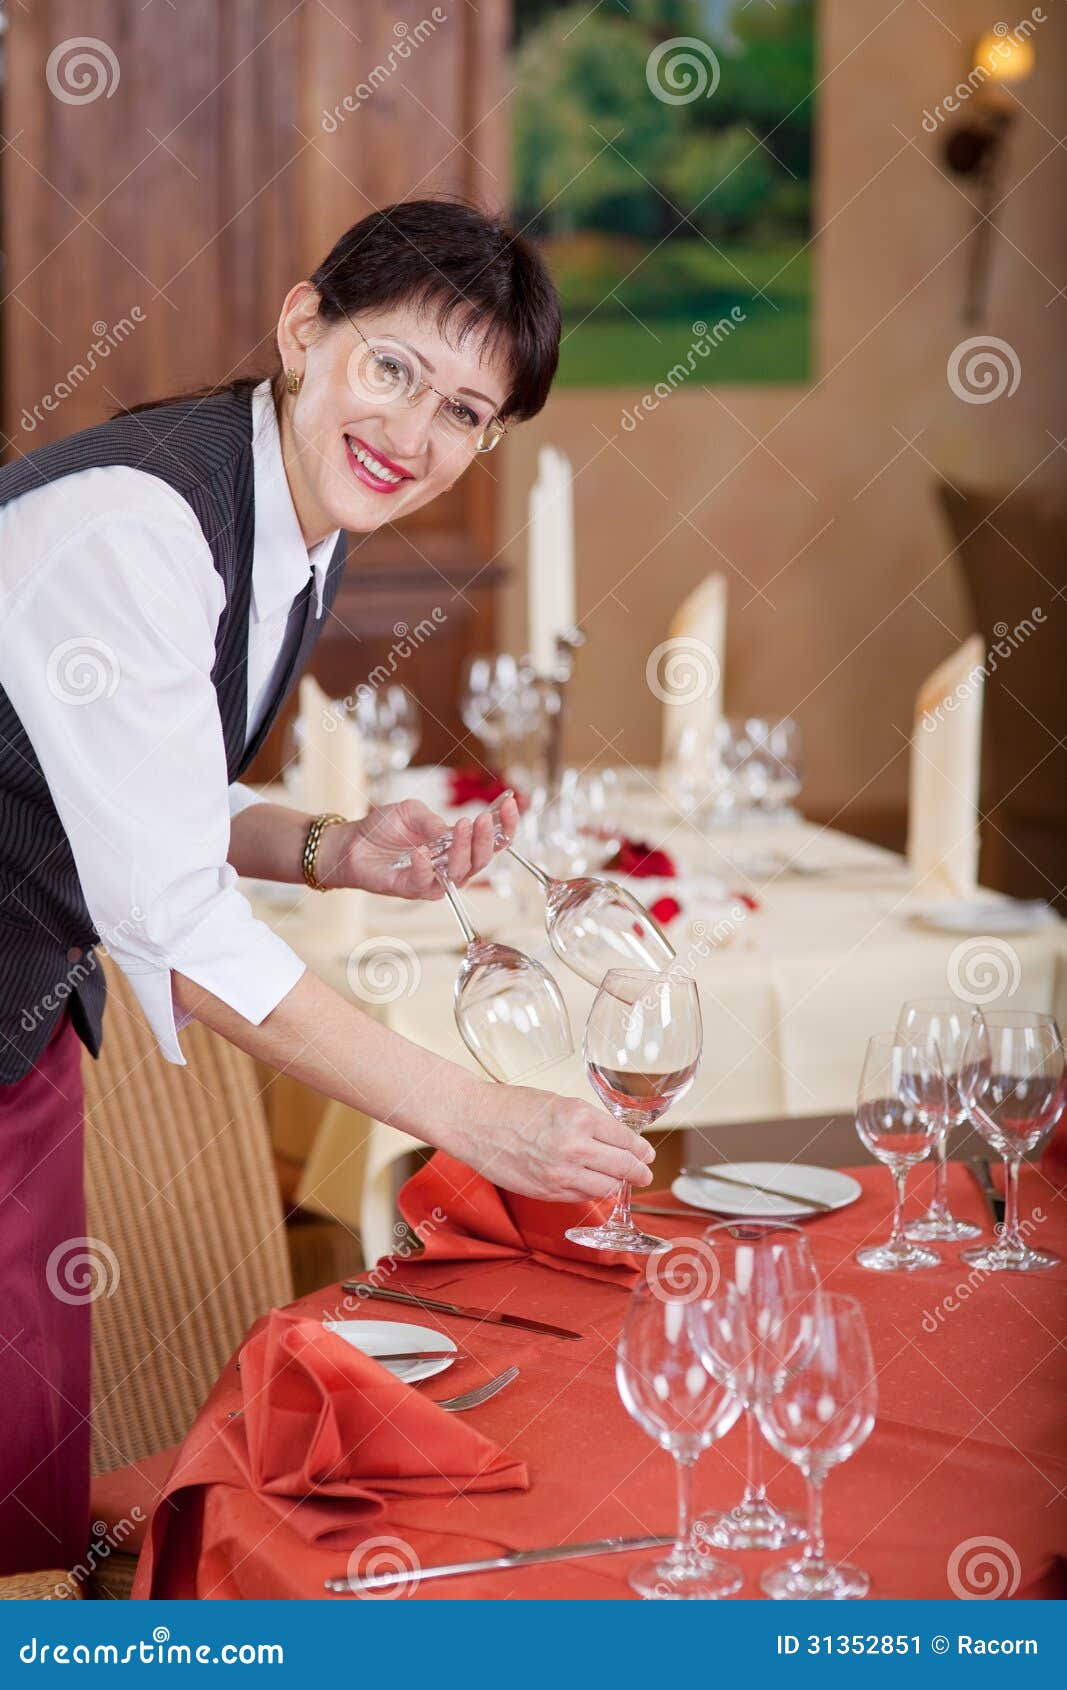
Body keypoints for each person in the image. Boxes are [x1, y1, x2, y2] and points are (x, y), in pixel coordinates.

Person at [0, 197, 654, 1573]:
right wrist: (478, 1116)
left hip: (26, 1021)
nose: (415, 437)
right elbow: (172, 918)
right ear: (307, 329)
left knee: (24, 1459)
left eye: (467, 412)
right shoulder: (139, 526)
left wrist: (323, 845)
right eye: (395, 368)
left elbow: (129, 786)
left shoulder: (300, 511)